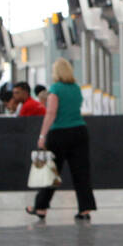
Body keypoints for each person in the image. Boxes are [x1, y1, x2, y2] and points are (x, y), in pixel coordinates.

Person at [28, 58, 96, 222]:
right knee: (81, 172)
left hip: (59, 134)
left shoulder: (56, 89)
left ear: (56, 72)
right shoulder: (76, 89)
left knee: (51, 172)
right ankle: (85, 209)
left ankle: (41, 207)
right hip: (80, 132)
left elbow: (51, 113)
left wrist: (42, 135)